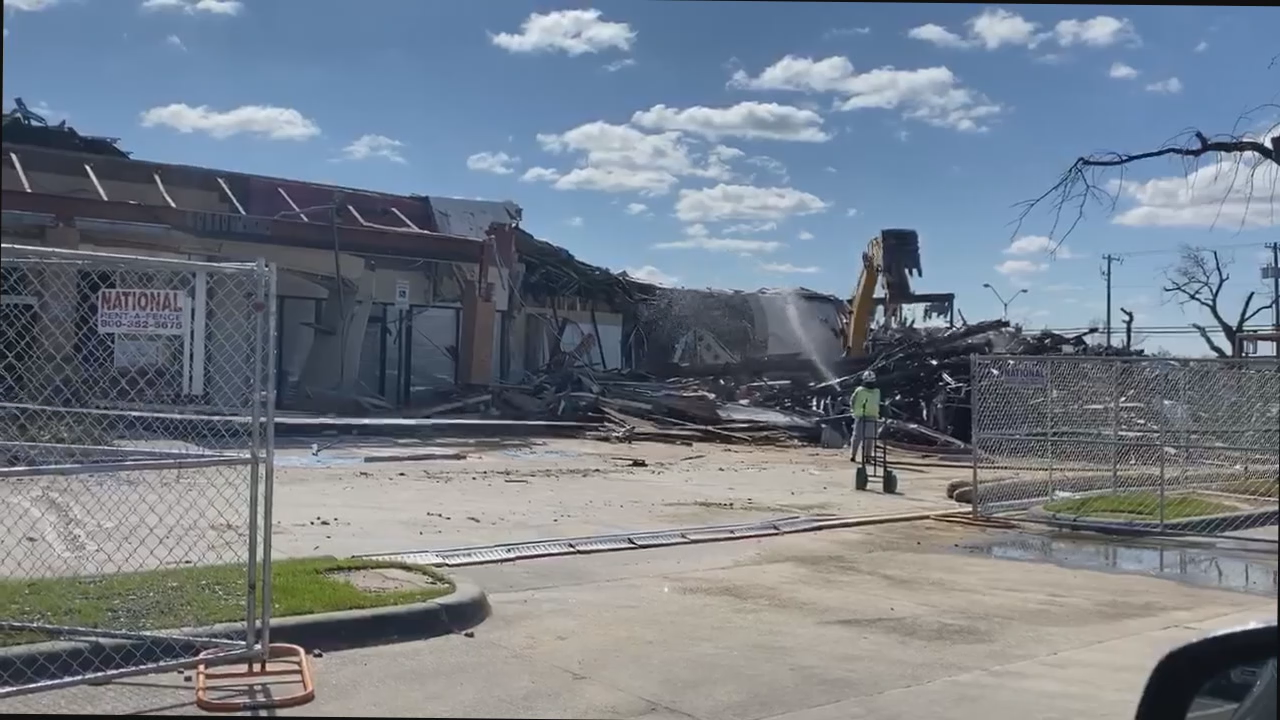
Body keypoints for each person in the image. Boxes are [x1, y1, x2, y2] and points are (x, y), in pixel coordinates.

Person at [849, 370, 881, 463]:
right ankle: (863, 456)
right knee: (865, 437)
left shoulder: (861, 390)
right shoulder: (875, 391)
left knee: (860, 437)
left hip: (865, 416)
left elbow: (852, 401)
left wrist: (853, 410)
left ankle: (858, 456)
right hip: (866, 416)